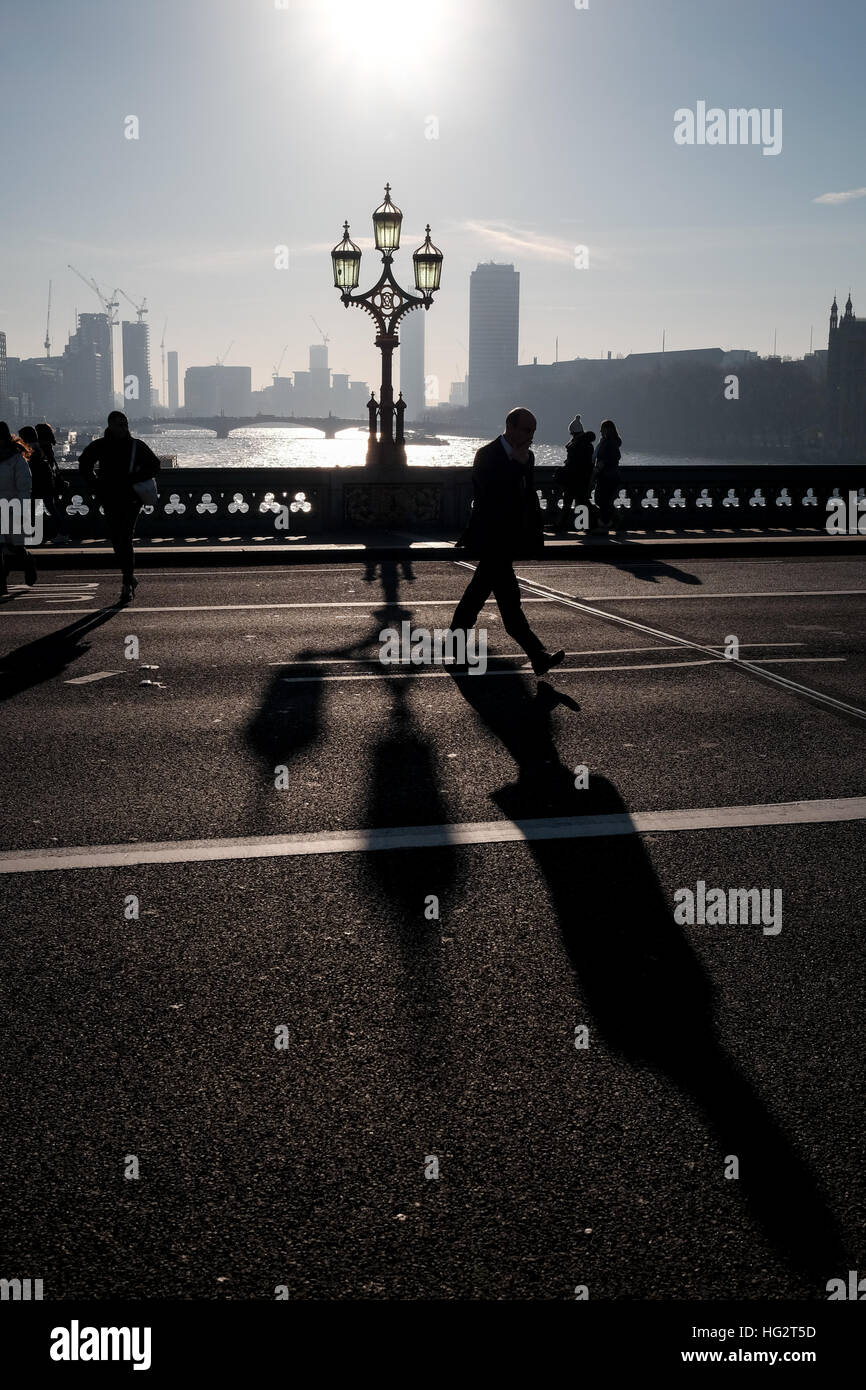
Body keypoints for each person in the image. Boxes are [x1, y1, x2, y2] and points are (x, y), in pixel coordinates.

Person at [451, 407, 564, 676]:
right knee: (504, 602)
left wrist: (536, 534)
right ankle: (537, 656)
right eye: (527, 430)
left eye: (534, 431)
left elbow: (527, 497)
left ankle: (536, 656)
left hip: (507, 540)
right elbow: (491, 495)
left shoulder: (528, 457)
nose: (531, 436)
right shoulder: (487, 455)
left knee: (483, 598)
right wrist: (516, 464)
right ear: (510, 428)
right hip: (490, 537)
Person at [77, 411, 161, 604]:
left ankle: (126, 584)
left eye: (125, 424)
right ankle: (130, 577)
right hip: (110, 498)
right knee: (117, 539)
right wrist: (96, 483)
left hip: (131, 499)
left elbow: (154, 465)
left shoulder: (136, 446)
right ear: (110, 426)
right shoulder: (101, 445)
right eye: (119, 425)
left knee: (125, 537)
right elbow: (84, 463)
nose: (123, 428)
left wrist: (133, 478)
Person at [0, 421, 37, 591]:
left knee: (14, 546)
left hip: (12, 507)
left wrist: (23, 510)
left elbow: (24, 487)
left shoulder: (16, 459)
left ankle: (28, 561)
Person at [554, 420, 596, 533]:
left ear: (574, 433)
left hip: (574, 479)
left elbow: (575, 464)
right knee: (581, 502)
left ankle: (563, 525)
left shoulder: (577, 445)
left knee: (572, 503)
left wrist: (566, 466)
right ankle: (584, 526)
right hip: (582, 479)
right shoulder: (587, 445)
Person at [35, 422, 72, 544]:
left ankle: (62, 533)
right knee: (54, 508)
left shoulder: (41, 447)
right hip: (51, 482)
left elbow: (48, 465)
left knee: (50, 508)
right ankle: (62, 533)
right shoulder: (48, 446)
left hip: (45, 483)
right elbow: (54, 465)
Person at [589, 419, 624, 534]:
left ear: (608, 429)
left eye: (602, 428)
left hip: (608, 477)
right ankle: (611, 521)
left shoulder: (610, 443)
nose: (600, 430)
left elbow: (606, 459)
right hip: (609, 476)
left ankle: (609, 522)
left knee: (602, 500)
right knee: (604, 501)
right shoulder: (609, 442)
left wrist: (596, 470)